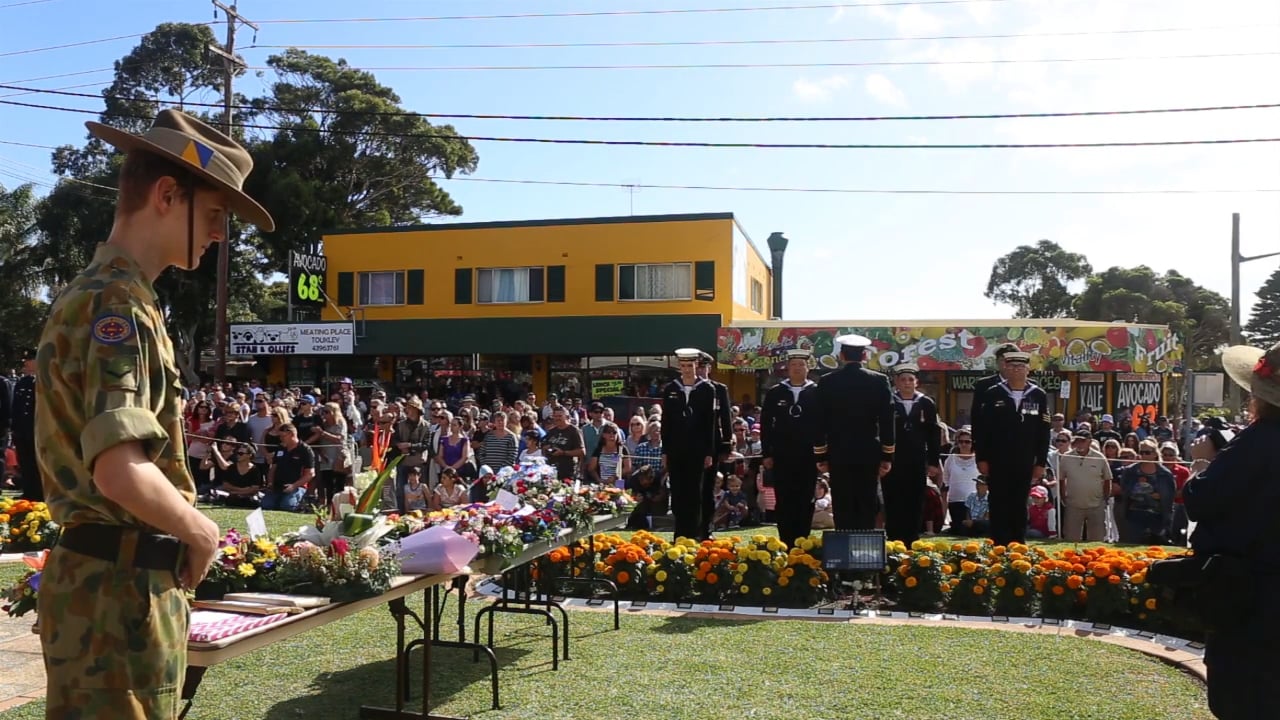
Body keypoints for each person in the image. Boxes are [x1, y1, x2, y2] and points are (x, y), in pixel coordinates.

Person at [33, 109, 273, 719]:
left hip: (114, 584)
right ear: (169, 194)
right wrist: (201, 530)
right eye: (217, 215)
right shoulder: (117, 304)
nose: (220, 233)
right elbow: (120, 470)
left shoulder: (114, 295)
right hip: (118, 589)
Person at [1182, 340, 1280, 720]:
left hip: (1249, 596)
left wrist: (1202, 470)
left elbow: (1202, 499)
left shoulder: (1258, 441)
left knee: (1242, 695)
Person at [810, 334, 895, 530]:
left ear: (841, 355)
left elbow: (819, 421)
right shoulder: (879, 380)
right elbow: (887, 420)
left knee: (842, 502)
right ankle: (864, 549)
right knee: (866, 501)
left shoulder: (827, 381)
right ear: (864, 355)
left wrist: (821, 455)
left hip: (839, 451)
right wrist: (887, 456)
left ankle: (843, 548)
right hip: (869, 452)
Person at [973, 351, 1050, 545]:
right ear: (1005, 368)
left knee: (1019, 501)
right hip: (998, 459)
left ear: (1028, 369)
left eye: (1021, 366)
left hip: (1024, 459)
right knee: (998, 501)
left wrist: (1040, 461)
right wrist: (981, 458)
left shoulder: (1038, 394)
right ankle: (999, 543)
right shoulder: (994, 393)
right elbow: (982, 429)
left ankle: (1018, 543)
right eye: (1012, 366)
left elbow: (1043, 431)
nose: (1017, 370)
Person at [760, 348, 819, 548]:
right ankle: (786, 541)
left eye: (801, 364)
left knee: (806, 499)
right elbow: (766, 424)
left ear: (808, 367)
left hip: (809, 456)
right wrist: (767, 453)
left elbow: (824, 424)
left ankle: (803, 541)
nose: (797, 368)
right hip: (782, 455)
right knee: (784, 499)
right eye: (793, 365)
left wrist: (822, 454)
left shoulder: (817, 392)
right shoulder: (776, 392)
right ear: (787, 368)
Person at [661, 348, 720, 541]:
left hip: (697, 451)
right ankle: (680, 534)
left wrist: (708, 452)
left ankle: (694, 535)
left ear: (696, 365)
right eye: (683, 366)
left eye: (690, 365)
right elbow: (666, 422)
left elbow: (709, 423)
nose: (687, 369)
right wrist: (665, 451)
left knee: (695, 494)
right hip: (676, 450)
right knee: (678, 494)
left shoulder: (706, 389)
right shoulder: (671, 389)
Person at [880, 363, 941, 545]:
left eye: (910, 379)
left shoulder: (926, 402)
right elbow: (881, 430)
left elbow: (933, 434)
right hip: (893, 460)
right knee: (892, 498)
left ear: (917, 382)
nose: (907, 383)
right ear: (896, 382)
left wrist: (933, 461)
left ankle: (912, 538)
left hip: (916, 460)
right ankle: (894, 539)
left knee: (915, 499)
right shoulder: (889, 401)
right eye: (902, 379)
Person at [696, 351, 733, 536]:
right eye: (698, 366)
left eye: (704, 367)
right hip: (691, 446)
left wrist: (727, 445)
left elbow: (726, 419)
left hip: (712, 445)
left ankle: (706, 527)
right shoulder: (687, 388)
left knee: (708, 489)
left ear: (709, 368)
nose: (701, 370)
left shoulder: (718, 389)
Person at [969, 342, 1021, 461]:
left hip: (1023, 449)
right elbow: (976, 419)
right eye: (1003, 360)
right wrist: (979, 452)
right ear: (997, 362)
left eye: (1010, 360)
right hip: (993, 447)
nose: (1006, 364)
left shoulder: (1032, 387)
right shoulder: (984, 385)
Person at [10, 348, 39, 500]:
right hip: (22, 430)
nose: (25, 363)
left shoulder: (45, 381)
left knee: (38, 463)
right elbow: (16, 407)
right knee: (25, 462)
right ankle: (29, 491)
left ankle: (40, 492)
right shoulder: (23, 382)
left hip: (39, 430)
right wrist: (14, 428)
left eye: (29, 360)